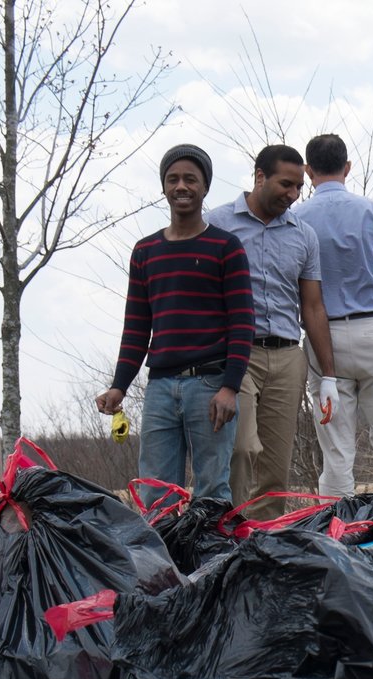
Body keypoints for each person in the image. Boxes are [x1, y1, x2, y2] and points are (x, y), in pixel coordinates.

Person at [97, 143, 253, 504]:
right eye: (173, 179)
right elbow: (136, 326)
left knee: (212, 490)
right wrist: (119, 386)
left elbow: (242, 323)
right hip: (161, 390)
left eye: (190, 179)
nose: (181, 186)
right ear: (164, 187)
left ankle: (212, 559)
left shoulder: (226, 247)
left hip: (211, 386)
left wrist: (230, 387)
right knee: (155, 492)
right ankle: (161, 561)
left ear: (204, 187)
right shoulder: (145, 251)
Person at [206, 144, 338, 517]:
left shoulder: (304, 235)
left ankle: (263, 541)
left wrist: (328, 375)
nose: (293, 195)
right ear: (259, 176)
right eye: (286, 184)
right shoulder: (216, 224)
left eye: (299, 187)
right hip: (236, 355)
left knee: (276, 466)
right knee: (242, 449)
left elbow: (312, 306)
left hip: (286, 356)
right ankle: (225, 533)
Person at [293, 133, 373, 499]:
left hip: (325, 339)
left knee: (335, 453)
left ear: (307, 170)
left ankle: (334, 536)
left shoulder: (295, 220)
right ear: (347, 167)